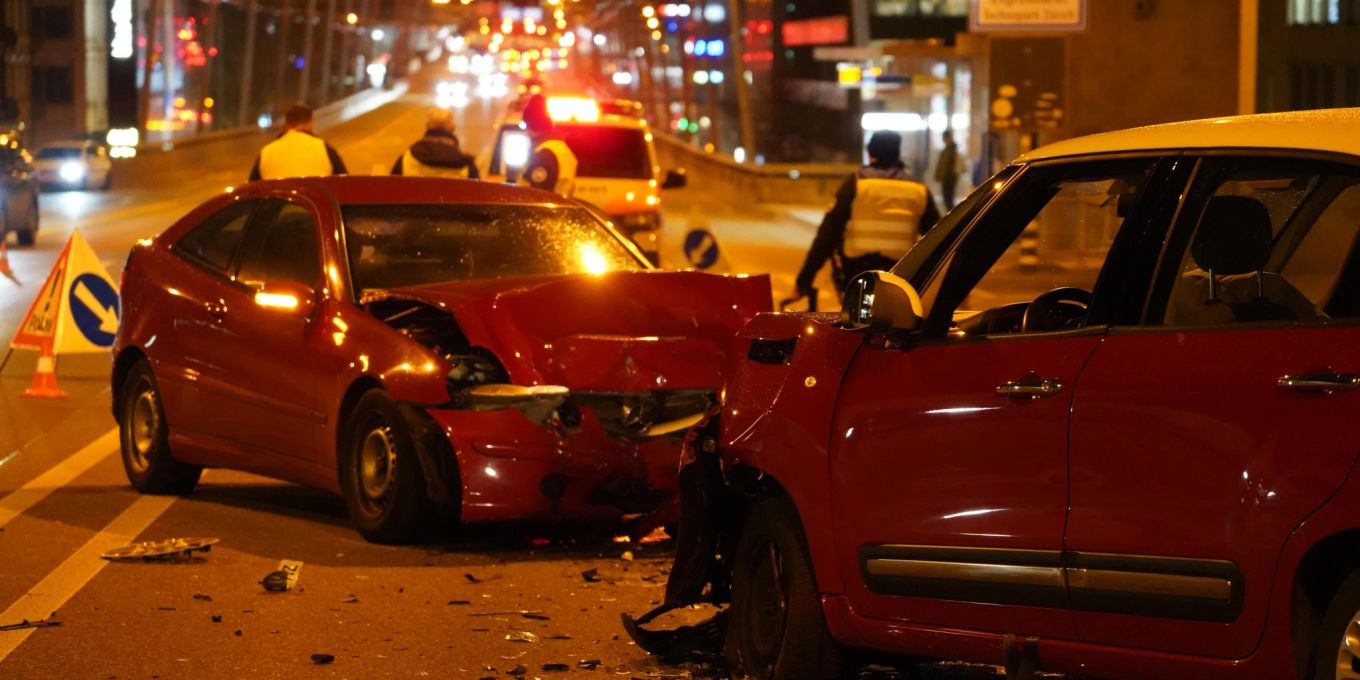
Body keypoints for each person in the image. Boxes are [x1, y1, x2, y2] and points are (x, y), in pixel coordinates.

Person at [791, 130, 941, 301]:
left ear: (871, 154)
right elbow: (936, 238)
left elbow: (827, 236)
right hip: (901, 275)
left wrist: (804, 280)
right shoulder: (919, 190)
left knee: (857, 322)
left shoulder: (855, 185)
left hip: (858, 274)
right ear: (896, 154)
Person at [248, 104, 347, 181]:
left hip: (278, 206)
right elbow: (344, 183)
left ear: (285, 124)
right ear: (311, 122)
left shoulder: (267, 152)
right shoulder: (324, 148)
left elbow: (252, 190)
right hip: (315, 206)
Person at [391, 108, 480, 179]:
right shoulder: (466, 165)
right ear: (453, 128)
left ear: (428, 126)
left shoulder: (406, 159)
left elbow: (392, 190)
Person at [517, 94, 577, 196]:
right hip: (560, 208)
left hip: (543, 211)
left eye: (525, 126)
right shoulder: (560, 148)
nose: (525, 132)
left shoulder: (544, 154)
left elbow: (536, 195)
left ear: (531, 126)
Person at [934, 129, 964, 209]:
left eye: (944, 138)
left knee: (948, 199)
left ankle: (951, 216)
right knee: (947, 199)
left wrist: (942, 176)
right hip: (947, 177)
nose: (943, 140)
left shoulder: (951, 149)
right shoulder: (948, 149)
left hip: (949, 178)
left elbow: (946, 165)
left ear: (948, 137)